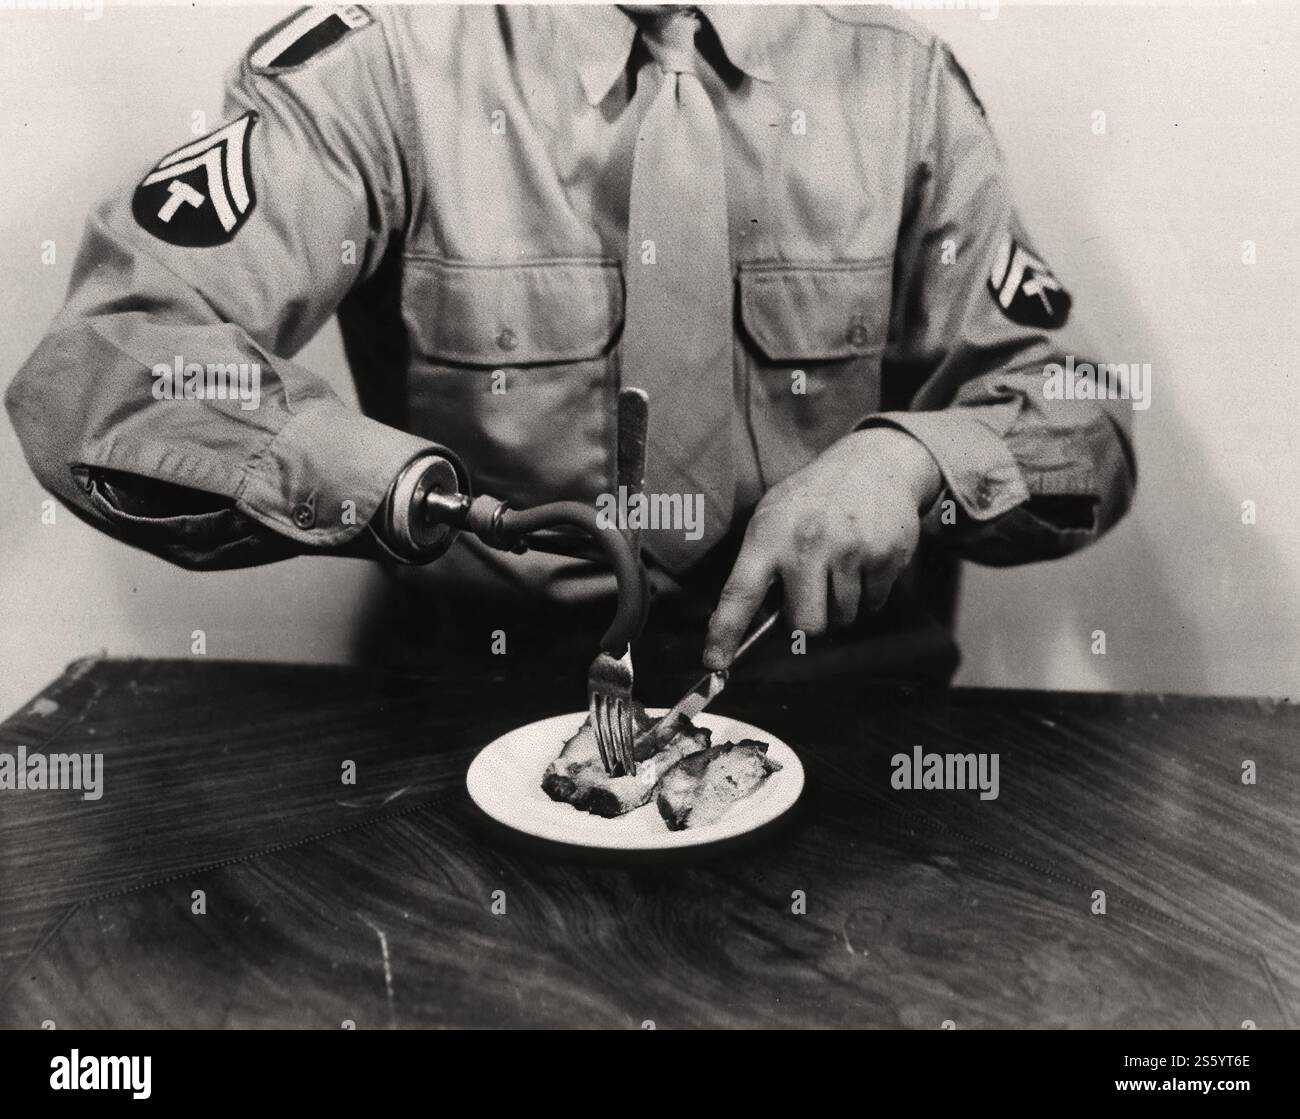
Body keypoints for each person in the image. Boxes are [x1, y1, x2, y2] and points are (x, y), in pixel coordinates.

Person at [5, 4, 1135, 686]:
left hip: (837, 703)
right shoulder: (380, 72)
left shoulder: (902, 83)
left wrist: (912, 460)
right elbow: (106, 363)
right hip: (476, 703)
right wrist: (395, 491)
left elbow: (1075, 413)